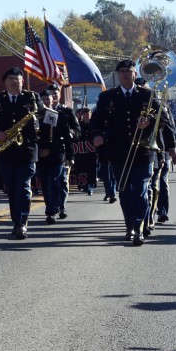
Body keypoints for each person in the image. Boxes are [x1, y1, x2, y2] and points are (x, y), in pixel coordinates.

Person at [89, 59, 160, 246]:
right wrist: (96, 135)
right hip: (118, 152)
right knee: (124, 192)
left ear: (135, 74)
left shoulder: (148, 95)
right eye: (122, 71)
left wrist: (149, 123)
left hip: (143, 152)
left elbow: (161, 119)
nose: (126, 74)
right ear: (117, 75)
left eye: (129, 71)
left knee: (140, 191)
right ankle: (130, 226)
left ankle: (138, 227)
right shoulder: (107, 97)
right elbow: (96, 121)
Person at [0, 67, 42, 239]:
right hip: (6, 151)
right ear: (5, 82)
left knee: (23, 187)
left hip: (27, 150)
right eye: (11, 78)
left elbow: (43, 114)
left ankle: (22, 223)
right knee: (12, 189)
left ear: (23, 82)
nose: (14, 81)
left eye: (18, 78)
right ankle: (16, 220)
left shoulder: (32, 97)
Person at [36, 87, 79, 223]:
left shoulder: (59, 114)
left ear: (53, 99)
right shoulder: (35, 116)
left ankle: (53, 211)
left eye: (47, 99)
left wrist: (70, 156)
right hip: (41, 155)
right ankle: (52, 206)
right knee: (44, 183)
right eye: (42, 99)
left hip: (58, 153)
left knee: (56, 182)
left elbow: (67, 135)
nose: (45, 101)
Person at [68, 107, 97, 196]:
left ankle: (90, 187)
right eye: (84, 114)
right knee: (81, 168)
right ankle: (83, 185)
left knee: (91, 169)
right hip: (80, 151)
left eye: (88, 114)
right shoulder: (79, 124)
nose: (86, 116)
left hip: (91, 151)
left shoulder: (94, 124)